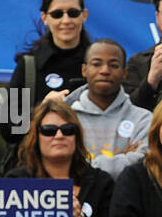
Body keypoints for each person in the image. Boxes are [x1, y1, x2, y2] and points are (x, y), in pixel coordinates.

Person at [7, 0, 91, 135]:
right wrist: (43, 109)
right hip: (38, 157)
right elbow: (8, 129)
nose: (66, 20)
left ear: (84, 15)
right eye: (57, 14)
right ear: (45, 18)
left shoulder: (98, 65)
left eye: (73, 13)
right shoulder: (28, 66)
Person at [63, 39, 150, 179]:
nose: (105, 71)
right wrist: (124, 158)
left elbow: (142, 167)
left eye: (114, 65)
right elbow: (59, 166)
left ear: (125, 73)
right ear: (84, 70)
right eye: (97, 64)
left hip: (126, 199)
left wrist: (84, 165)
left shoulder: (144, 120)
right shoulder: (65, 117)